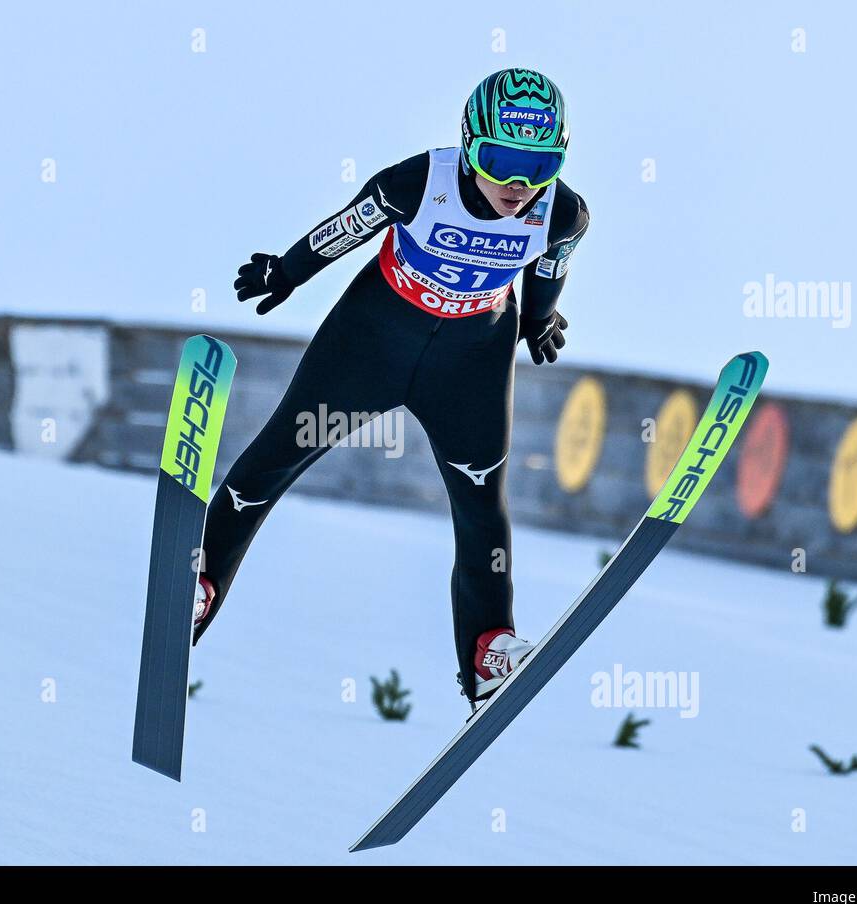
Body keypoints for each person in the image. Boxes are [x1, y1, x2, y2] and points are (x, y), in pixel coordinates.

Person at [193, 67, 589, 708]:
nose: (518, 185)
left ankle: (489, 647)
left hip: (470, 360)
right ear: (469, 144)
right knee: (274, 459)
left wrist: (540, 320)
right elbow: (344, 230)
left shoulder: (563, 212)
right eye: (500, 161)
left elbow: (548, 270)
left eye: (538, 165)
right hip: (373, 340)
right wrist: (287, 272)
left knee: (481, 503)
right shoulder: (416, 183)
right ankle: (201, 585)